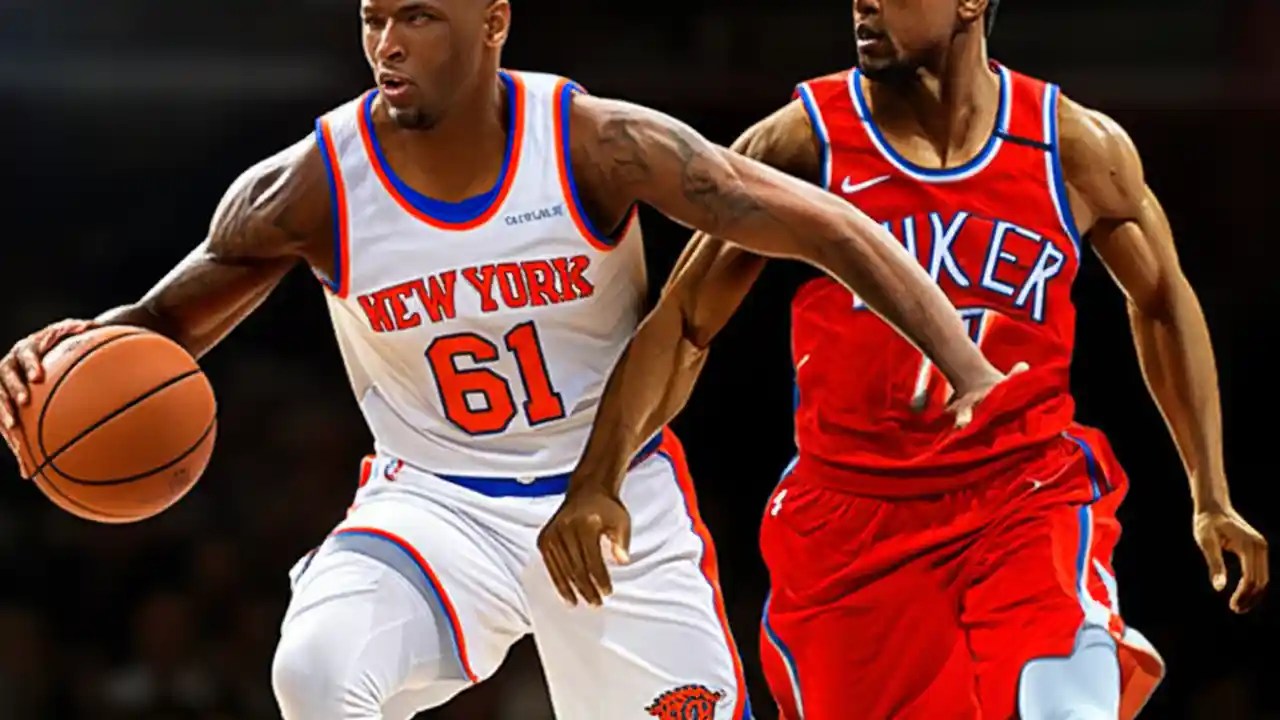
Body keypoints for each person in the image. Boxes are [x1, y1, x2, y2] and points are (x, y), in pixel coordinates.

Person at [0, 1, 1013, 718]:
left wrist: (962, 364)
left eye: (417, 18)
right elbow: (161, 328)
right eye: (371, 20)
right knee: (314, 673)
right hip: (432, 503)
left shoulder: (593, 145)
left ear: (494, 20)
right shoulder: (310, 186)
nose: (386, 46)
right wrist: (72, 351)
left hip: (608, 496)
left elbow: (828, 226)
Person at [538, 0, 1270, 718]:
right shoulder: (804, 143)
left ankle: (1078, 658)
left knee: (1065, 698)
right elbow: (685, 322)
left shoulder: (1072, 145)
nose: (864, 3)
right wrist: (599, 478)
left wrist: (1210, 491)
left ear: (969, 5)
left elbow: (1164, 301)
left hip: (1021, 487)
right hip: (851, 518)